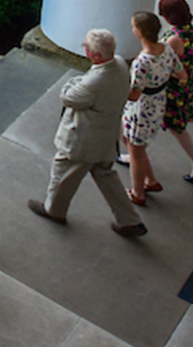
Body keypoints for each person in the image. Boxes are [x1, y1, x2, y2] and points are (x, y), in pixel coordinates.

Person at [27, 29, 146, 236]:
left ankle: (54, 210)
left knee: (62, 171)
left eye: (86, 47)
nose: (83, 47)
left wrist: (72, 82)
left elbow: (68, 97)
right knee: (105, 175)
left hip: (83, 140)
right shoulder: (118, 63)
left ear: (96, 56)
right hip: (106, 137)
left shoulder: (92, 84)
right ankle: (129, 220)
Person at [122, 10, 187, 205]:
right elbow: (181, 74)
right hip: (158, 103)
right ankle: (150, 180)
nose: (132, 28)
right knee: (137, 147)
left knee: (135, 150)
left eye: (134, 26)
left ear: (140, 32)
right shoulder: (167, 49)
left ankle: (137, 193)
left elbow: (134, 94)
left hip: (141, 110)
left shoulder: (142, 62)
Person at [157, 0, 193, 183]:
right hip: (185, 84)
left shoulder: (174, 39)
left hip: (171, 88)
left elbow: (163, 63)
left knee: (173, 126)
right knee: (173, 126)